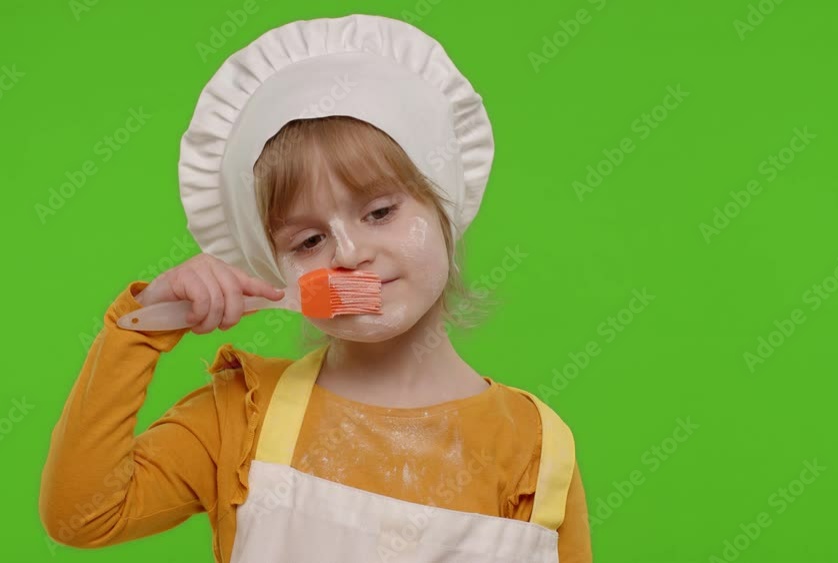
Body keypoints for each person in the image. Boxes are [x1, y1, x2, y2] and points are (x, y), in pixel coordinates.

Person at [39, 13, 592, 563]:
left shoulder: (533, 447)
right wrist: (139, 329)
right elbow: (81, 515)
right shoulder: (241, 416)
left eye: (379, 211)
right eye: (309, 241)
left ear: (442, 205)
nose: (349, 253)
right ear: (274, 268)